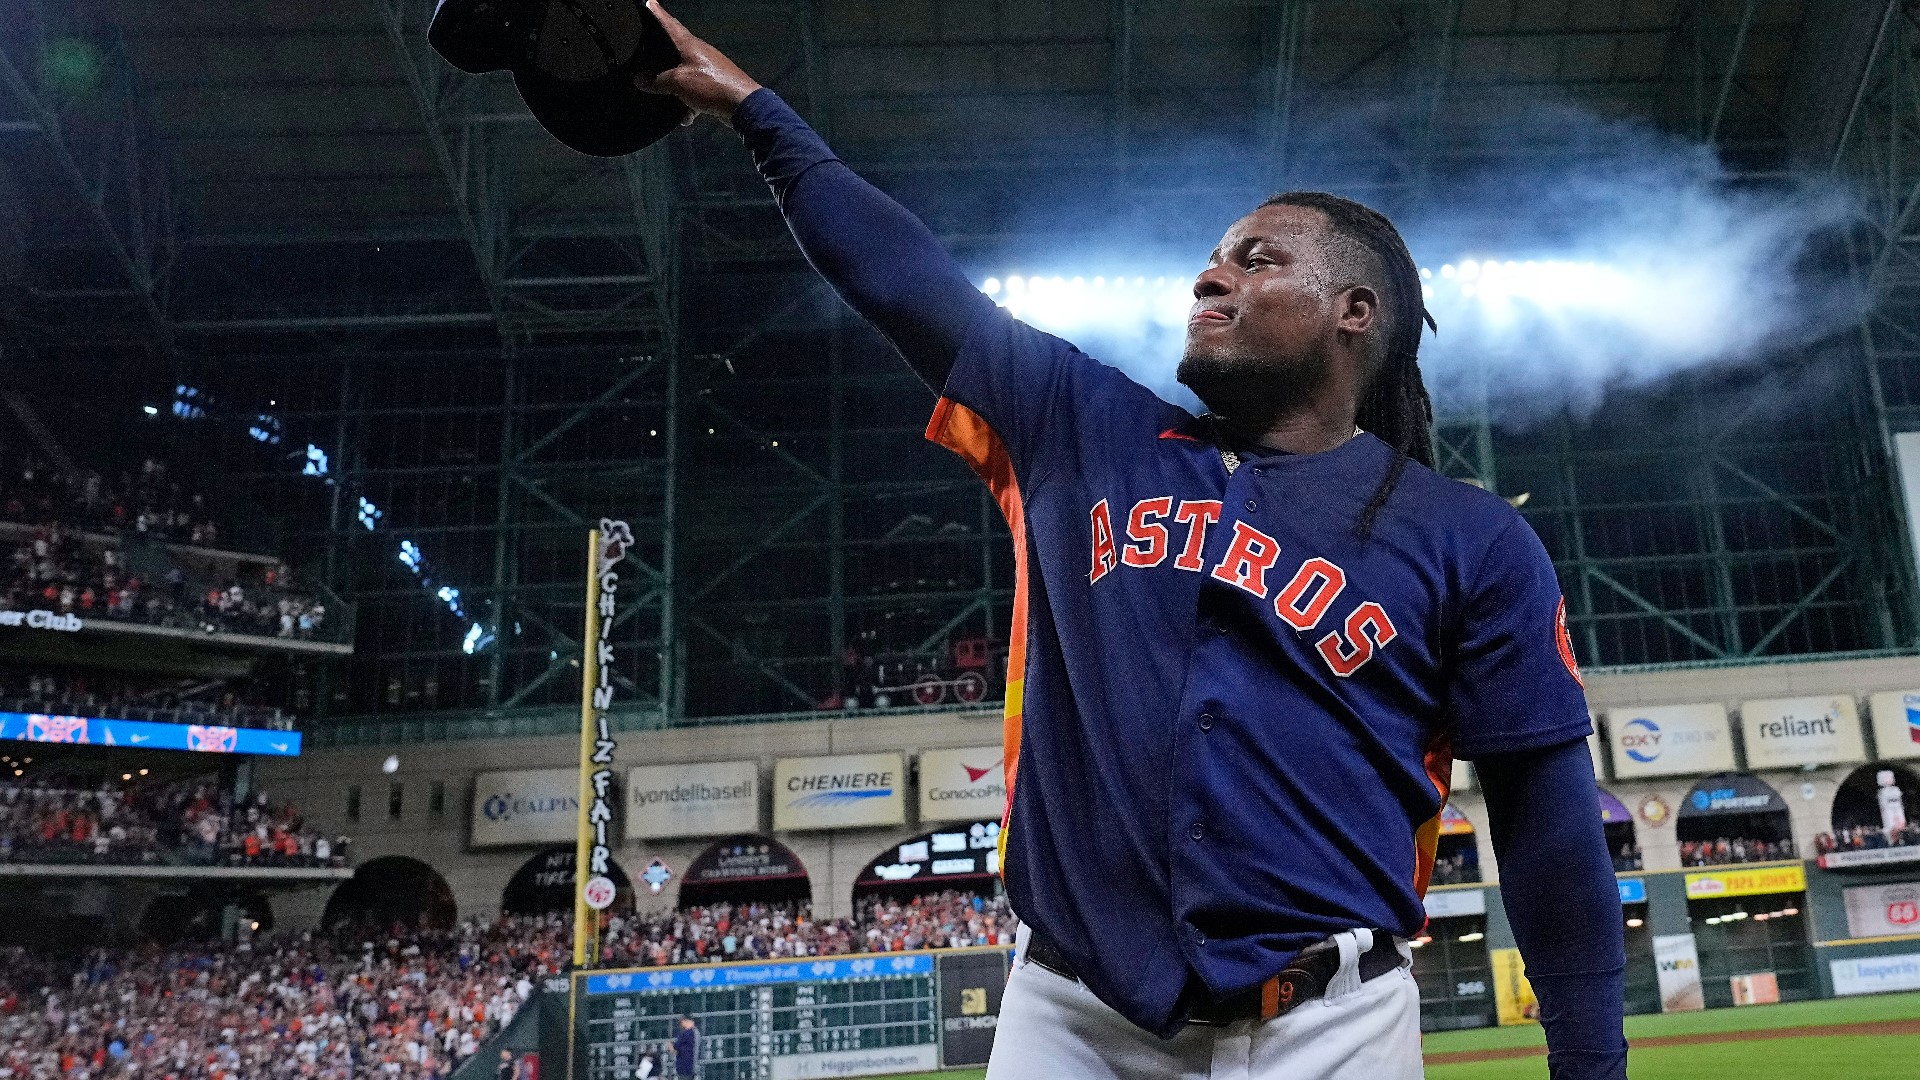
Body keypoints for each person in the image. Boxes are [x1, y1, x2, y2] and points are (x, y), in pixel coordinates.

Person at [638, 4, 1626, 1078]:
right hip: (1074, 1020)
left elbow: (1548, 824)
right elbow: (903, 279)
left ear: (1355, 312)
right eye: (1212, 259)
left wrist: (1589, 1061)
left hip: (1333, 1028)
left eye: (1257, 260)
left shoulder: (1467, 538)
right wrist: (760, 117)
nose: (1213, 277)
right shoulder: (1084, 429)